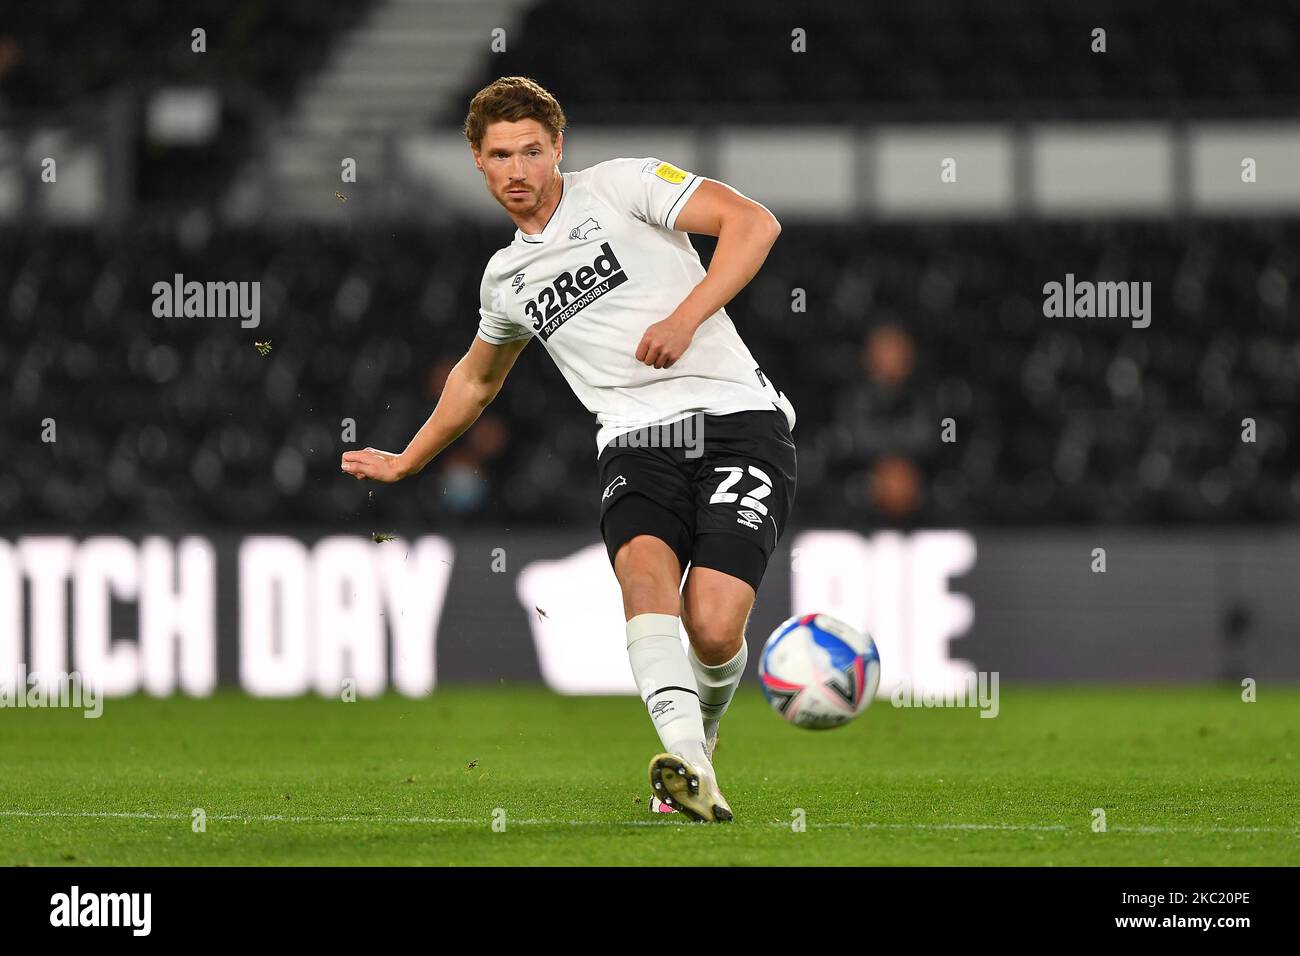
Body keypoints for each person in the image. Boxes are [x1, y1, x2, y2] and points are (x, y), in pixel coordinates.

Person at [341, 76, 796, 822]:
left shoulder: (624, 185)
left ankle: (700, 742)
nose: (516, 171)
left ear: (559, 148)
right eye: (498, 156)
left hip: (736, 419)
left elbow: (754, 224)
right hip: (633, 441)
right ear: (478, 164)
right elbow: (475, 381)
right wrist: (409, 457)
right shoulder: (506, 279)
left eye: (530, 151)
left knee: (713, 628)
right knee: (645, 584)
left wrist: (685, 318)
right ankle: (687, 769)